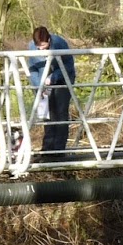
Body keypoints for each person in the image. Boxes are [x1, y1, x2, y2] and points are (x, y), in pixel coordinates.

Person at [27, 25, 76, 156]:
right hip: (42, 82)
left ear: (49, 40)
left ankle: (59, 149)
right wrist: (39, 87)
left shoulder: (60, 43)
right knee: (47, 114)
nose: (42, 51)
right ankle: (48, 148)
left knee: (60, 113)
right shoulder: (31, 47)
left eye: (45, 47)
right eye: (40, 49)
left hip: (62, 79)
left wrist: (53, 77)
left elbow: (69, 65)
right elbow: (32, 70)